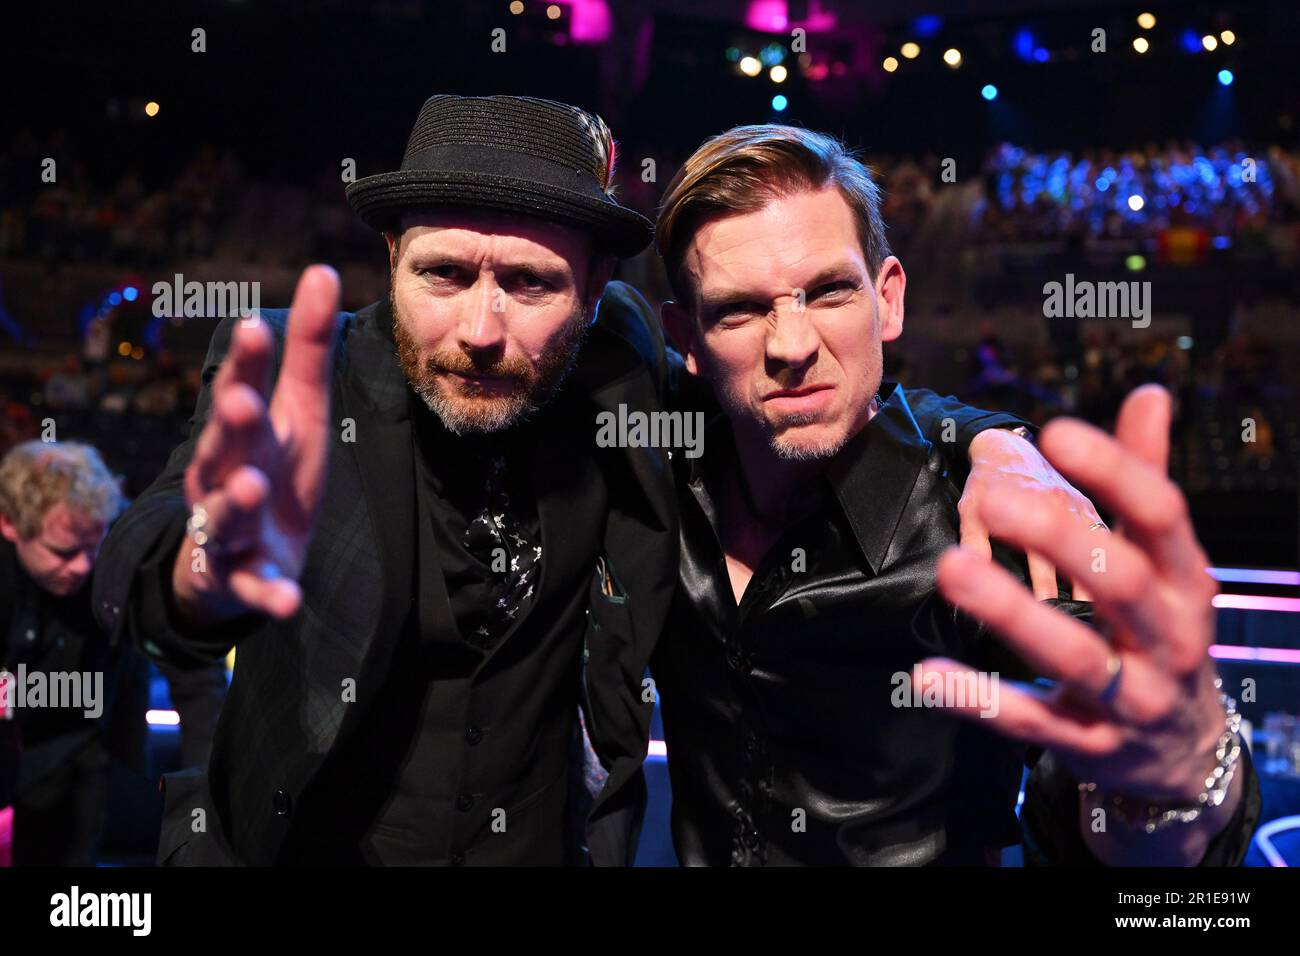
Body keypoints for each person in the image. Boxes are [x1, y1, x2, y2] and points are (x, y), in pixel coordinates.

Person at [93, 95, 1093, 867]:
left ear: (592, 298)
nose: (482, 329)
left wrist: (999, 441)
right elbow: (134, 573)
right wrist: (201, 569)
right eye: (443, 273)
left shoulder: (622, 374)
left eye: (529, 284)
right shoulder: (291, 382)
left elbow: (810, 389)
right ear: (390, 258)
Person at [650, 124, 1261, 866]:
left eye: (831, 291)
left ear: (889, 299)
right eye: (740, 310)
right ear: (685, 336)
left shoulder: (983, 527)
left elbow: (1128, 815)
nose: (791, 345)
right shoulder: (654, 484)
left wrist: (1175, 787)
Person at [0, 440, 147, 865]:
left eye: (92, 547)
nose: (84, 567)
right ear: (10, 525)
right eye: (64, 552)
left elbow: (115, 685)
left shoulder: (118, 560)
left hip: (78, 748)